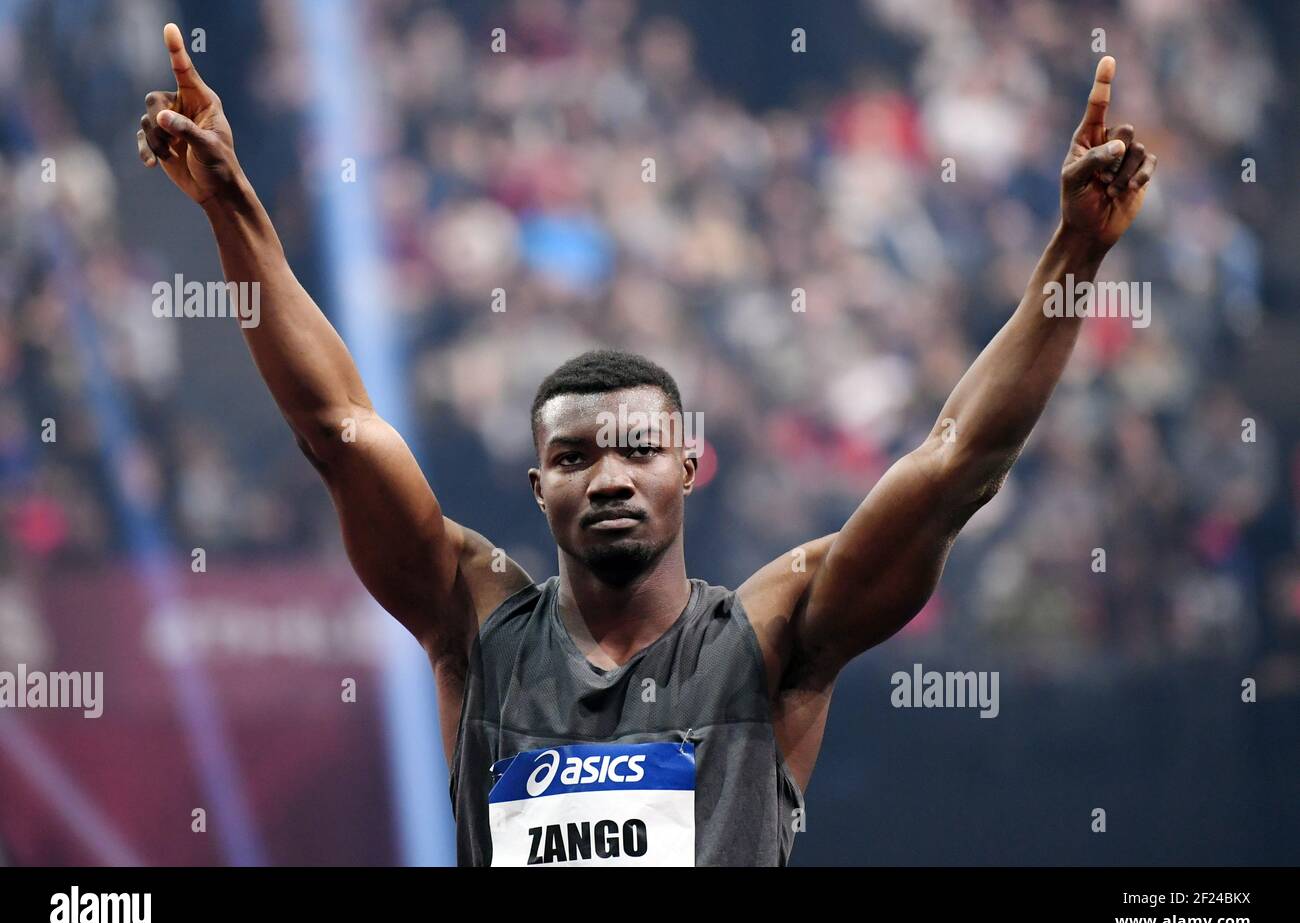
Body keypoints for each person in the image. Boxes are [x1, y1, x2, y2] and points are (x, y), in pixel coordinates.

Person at [137, 23, 1156, 865]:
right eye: (576, 457)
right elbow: (341, 430)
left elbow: (952, 467)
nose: (610, 473)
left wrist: (1075, 247)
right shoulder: (474, 621)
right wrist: (231, 202)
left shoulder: (769, 637)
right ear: (538, 486)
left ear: (688, 463)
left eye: (636, 448)